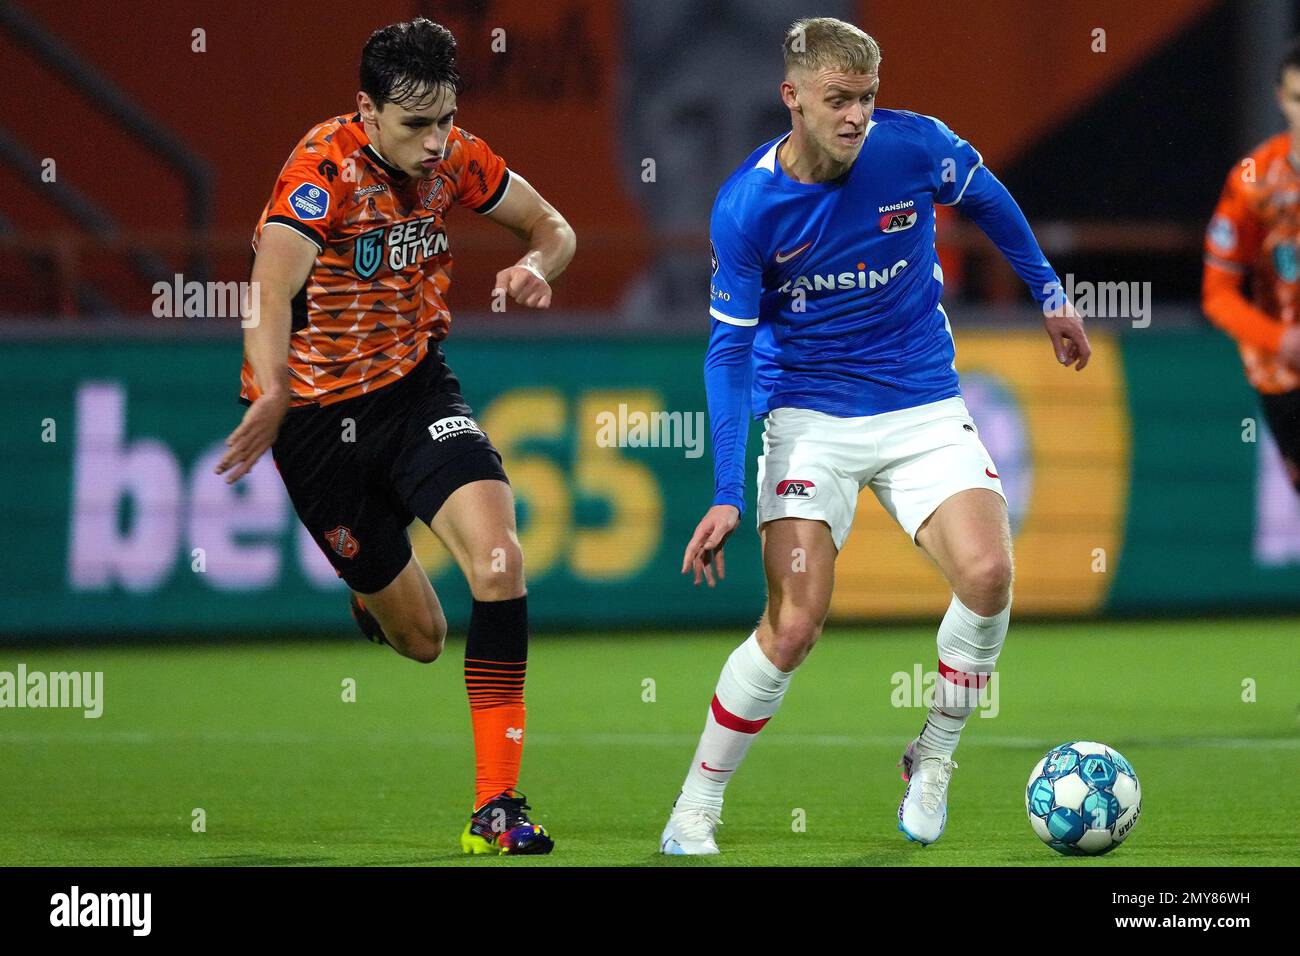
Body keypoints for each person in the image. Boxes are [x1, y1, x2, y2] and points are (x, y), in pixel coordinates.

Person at [660, 16, 1089, 854]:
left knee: (991, 573)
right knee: (793, 625)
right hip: (808, 417)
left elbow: (990, 198)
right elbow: (729, 351)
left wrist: (1048, 291)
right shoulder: (747, 208)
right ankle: (695, 808)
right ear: (792, 99)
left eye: (865, 98)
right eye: (837, 100)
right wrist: (723, 492)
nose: (856, 117)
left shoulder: (912, 148)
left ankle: (932, 757)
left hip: (921, 402)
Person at [214, 18, 575, 856]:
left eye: (445, 118)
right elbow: (271, 289)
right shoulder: (319, 173)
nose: (436, 140)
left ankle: (497, 809)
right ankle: (373, 587)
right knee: (422, 640)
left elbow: (554, 227)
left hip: (415, 392)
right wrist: (270, 393)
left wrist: (536, 267)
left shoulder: (456, 156)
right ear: (366, 112)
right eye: (415, 123)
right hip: (313, 423)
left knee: (499, 562)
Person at [1203, 38, 1300, 496]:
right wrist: (1280, 340)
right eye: (1299, 100)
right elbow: (1217, 295)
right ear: (1281, 99)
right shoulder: (1253, 182)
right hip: (1285, 376)